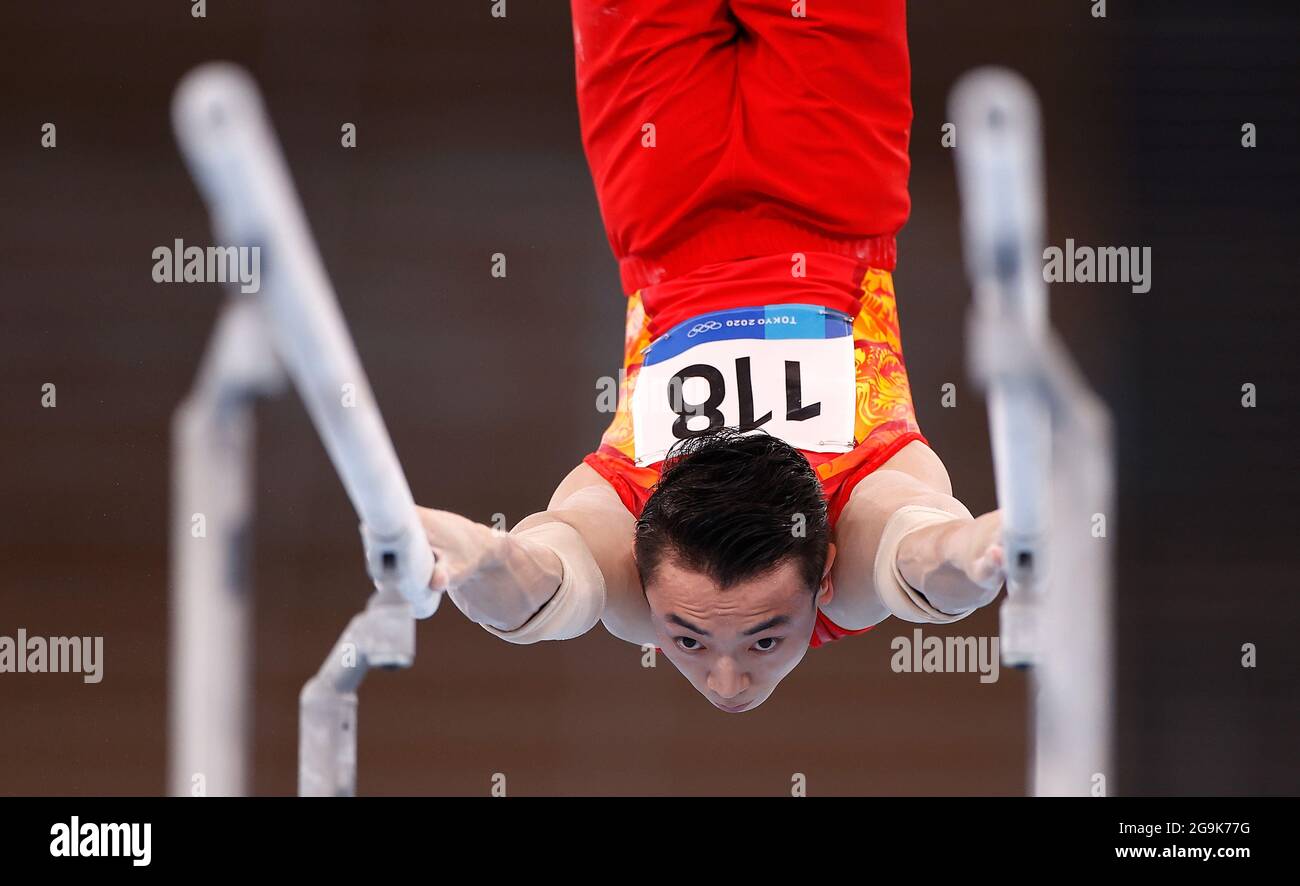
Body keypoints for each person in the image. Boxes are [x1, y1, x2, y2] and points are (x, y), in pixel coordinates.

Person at [418, 0, 1005, 714]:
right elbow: (928, 561)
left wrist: (475, 559)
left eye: (687, 637)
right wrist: (994, 552)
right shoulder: (862, 517)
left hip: (659, 197)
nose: (726, 680)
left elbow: (541, 582)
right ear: (824, 579)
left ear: (642, 570)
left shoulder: (630, 527)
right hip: (835, 179)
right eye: (766, 637)